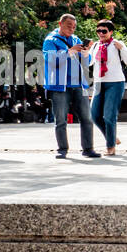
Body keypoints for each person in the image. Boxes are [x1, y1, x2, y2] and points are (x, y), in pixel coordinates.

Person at [42, 14, 99, 159]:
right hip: (59, 86)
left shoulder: (76, 39)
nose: (72, 29)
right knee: (61, 119)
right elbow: (50, 59)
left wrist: (86, 53)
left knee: (86, 117)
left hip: (78, 84)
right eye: (69, 26)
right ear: (60, 23)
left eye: (74, 27)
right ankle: (62, 149)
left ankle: (88, 148)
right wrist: (70, 51)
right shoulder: (50, 40)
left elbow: (88, 61)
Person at [88, 19, 127, 155]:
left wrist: (123, 48)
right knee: (94, 115)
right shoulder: (96, 45)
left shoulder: (116, 44)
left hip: (115, 83)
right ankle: (112, 137)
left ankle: (110, 147)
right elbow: (89, 62)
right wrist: (84, 52)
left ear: (111, 32)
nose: (101, 34)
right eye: (98, 31)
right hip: (99, 83)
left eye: (104, 31)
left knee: (109, 116)